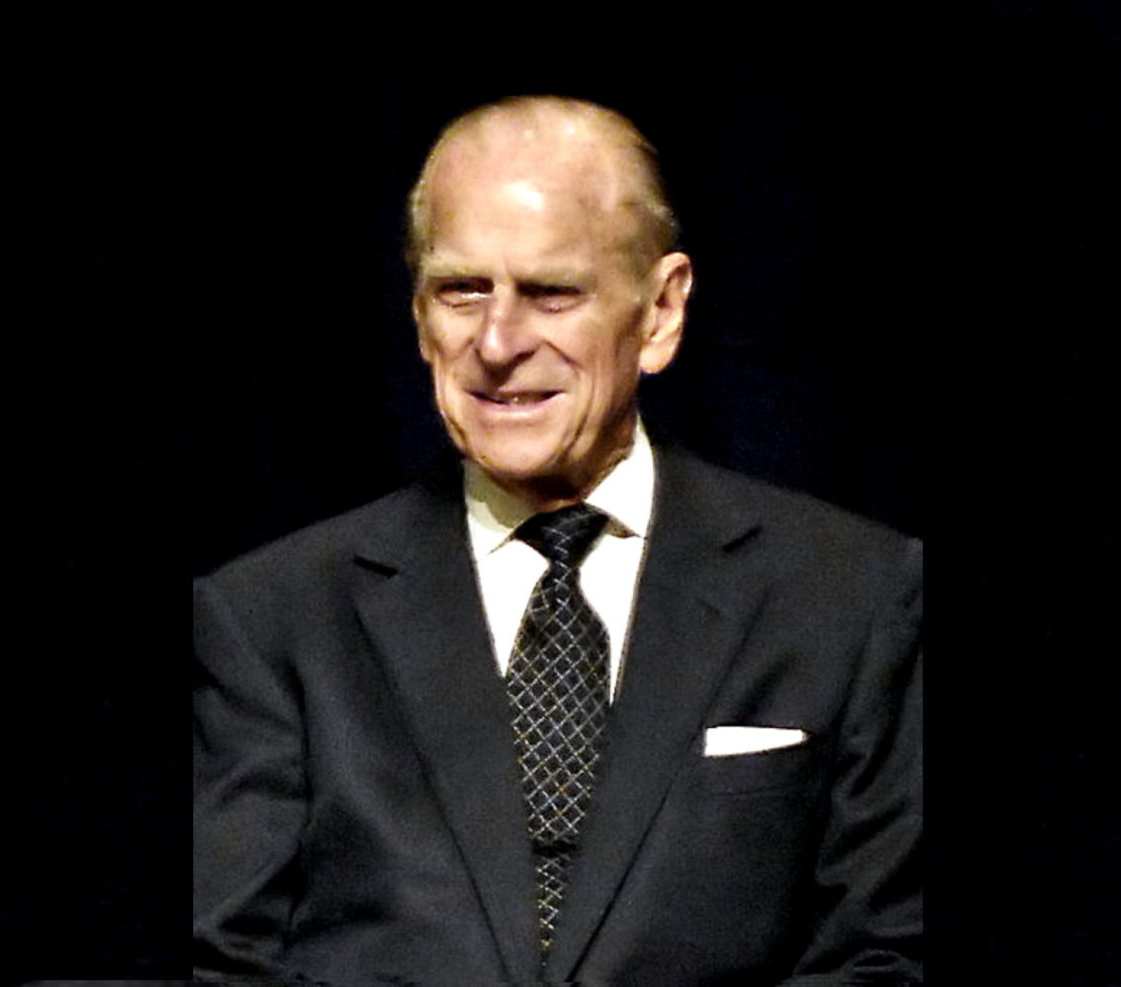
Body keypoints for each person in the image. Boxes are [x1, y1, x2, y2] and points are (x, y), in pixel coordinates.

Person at [193, 95, 922, 984]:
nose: (497, 342)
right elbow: (223, 962)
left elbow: (885, 956)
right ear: (420, 317)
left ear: (659, 312)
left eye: (551, 293)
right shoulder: (268, 619)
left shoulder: (851, 595)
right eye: (462, 289)